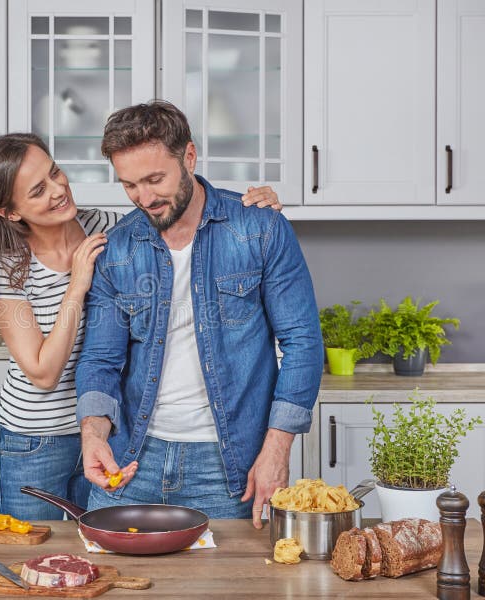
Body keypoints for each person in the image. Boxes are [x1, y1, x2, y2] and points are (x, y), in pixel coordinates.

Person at [0, 132, 283, 520]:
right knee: (34, 561)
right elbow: (43, 372)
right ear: (10, 212)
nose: (58, 190)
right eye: (38, 190)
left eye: (55, 173)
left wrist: (255, 205)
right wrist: (77, 285)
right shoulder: (8, 265)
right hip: (36, 441)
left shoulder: (109, 228)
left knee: (94, 557)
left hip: (112, 434)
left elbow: (181, 215)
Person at [75, 101, 324, 528]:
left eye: (155, 179)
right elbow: (101, 359)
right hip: (133, 460)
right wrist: (93, 434)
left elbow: (302, 342)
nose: (145, 198)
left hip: (230, 466)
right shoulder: (116, 249)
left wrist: (278, 450)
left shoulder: (259, 228)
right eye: (130, 185)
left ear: (188, 157)